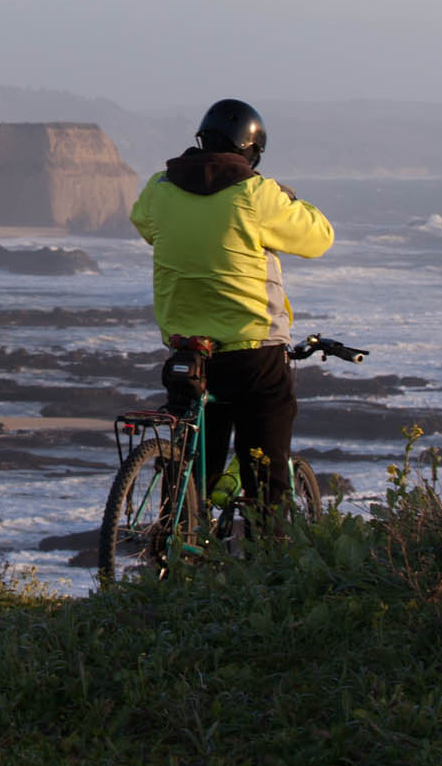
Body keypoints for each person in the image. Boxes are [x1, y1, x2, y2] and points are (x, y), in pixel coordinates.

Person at [129, 98, 334, 535]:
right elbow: (319, 239)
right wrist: (287, 198)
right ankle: (269, 564)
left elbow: (145, 224)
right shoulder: (258, 195)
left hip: (188, 350)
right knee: (267, 478)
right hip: (253, 352)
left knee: (194, 468)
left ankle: (176, 549)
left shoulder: (159, 189)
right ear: (252, 152)